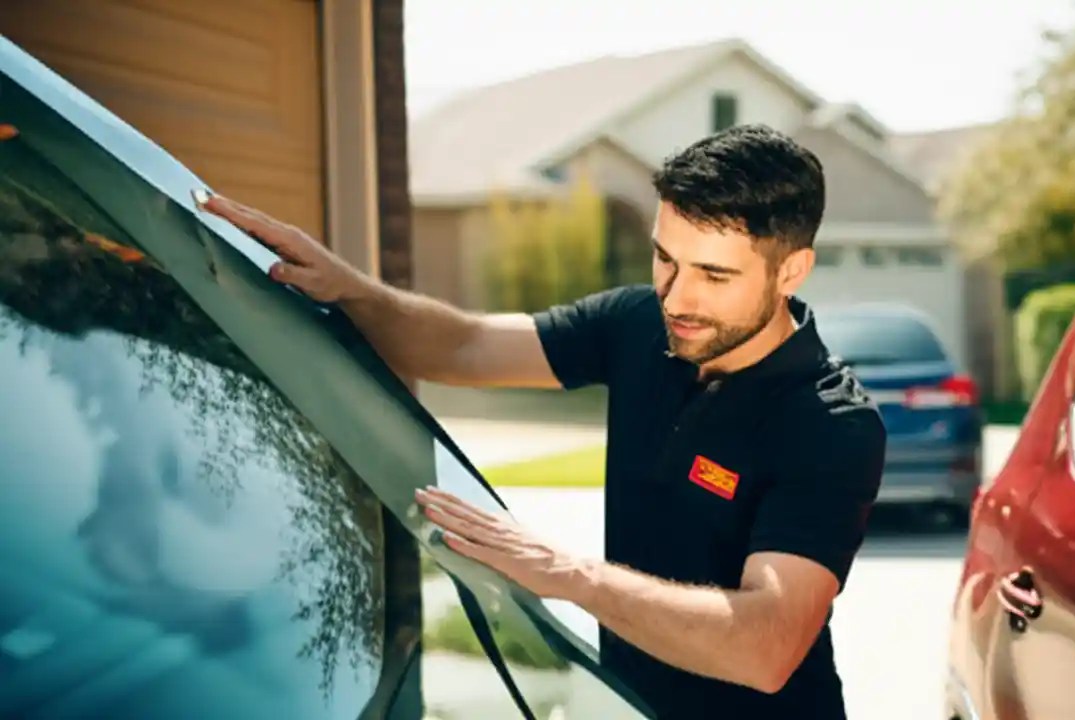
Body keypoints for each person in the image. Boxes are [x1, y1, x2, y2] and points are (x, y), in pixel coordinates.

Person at [201, 123, 885, 719]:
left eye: (713, 274)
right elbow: (464, 344)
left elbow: (765, 646)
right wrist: (351, 289)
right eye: (665, 258)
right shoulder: (638, 323)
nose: (677, 296)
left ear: (791, 270)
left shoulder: (829, 422)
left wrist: (562, 572)